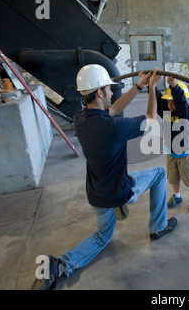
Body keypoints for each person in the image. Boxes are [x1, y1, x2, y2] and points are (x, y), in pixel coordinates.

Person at [32, 66, 177, 290]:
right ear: (99, 93)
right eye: (109, 89)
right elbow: (150, 119)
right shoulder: (114, 127)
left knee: (103, 235)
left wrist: (138, 86)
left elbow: (113, 109)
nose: (112, 93)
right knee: (158, 174)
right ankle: (159, 226)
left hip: (96, 193)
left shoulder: (80, 118)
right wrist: (151, 89)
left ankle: (59, 266)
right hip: (120, 191)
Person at [155, 77, 189, 213]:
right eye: (169, 102)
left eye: (173, 102)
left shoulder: (184, 114)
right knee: (173, 176)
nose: (171, 105)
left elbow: (181, 102)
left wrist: (174, 86)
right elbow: (158, 101)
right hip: (171, 152)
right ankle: (177, 195)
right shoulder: (167, 114)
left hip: (184, 153)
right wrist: (151, 85)